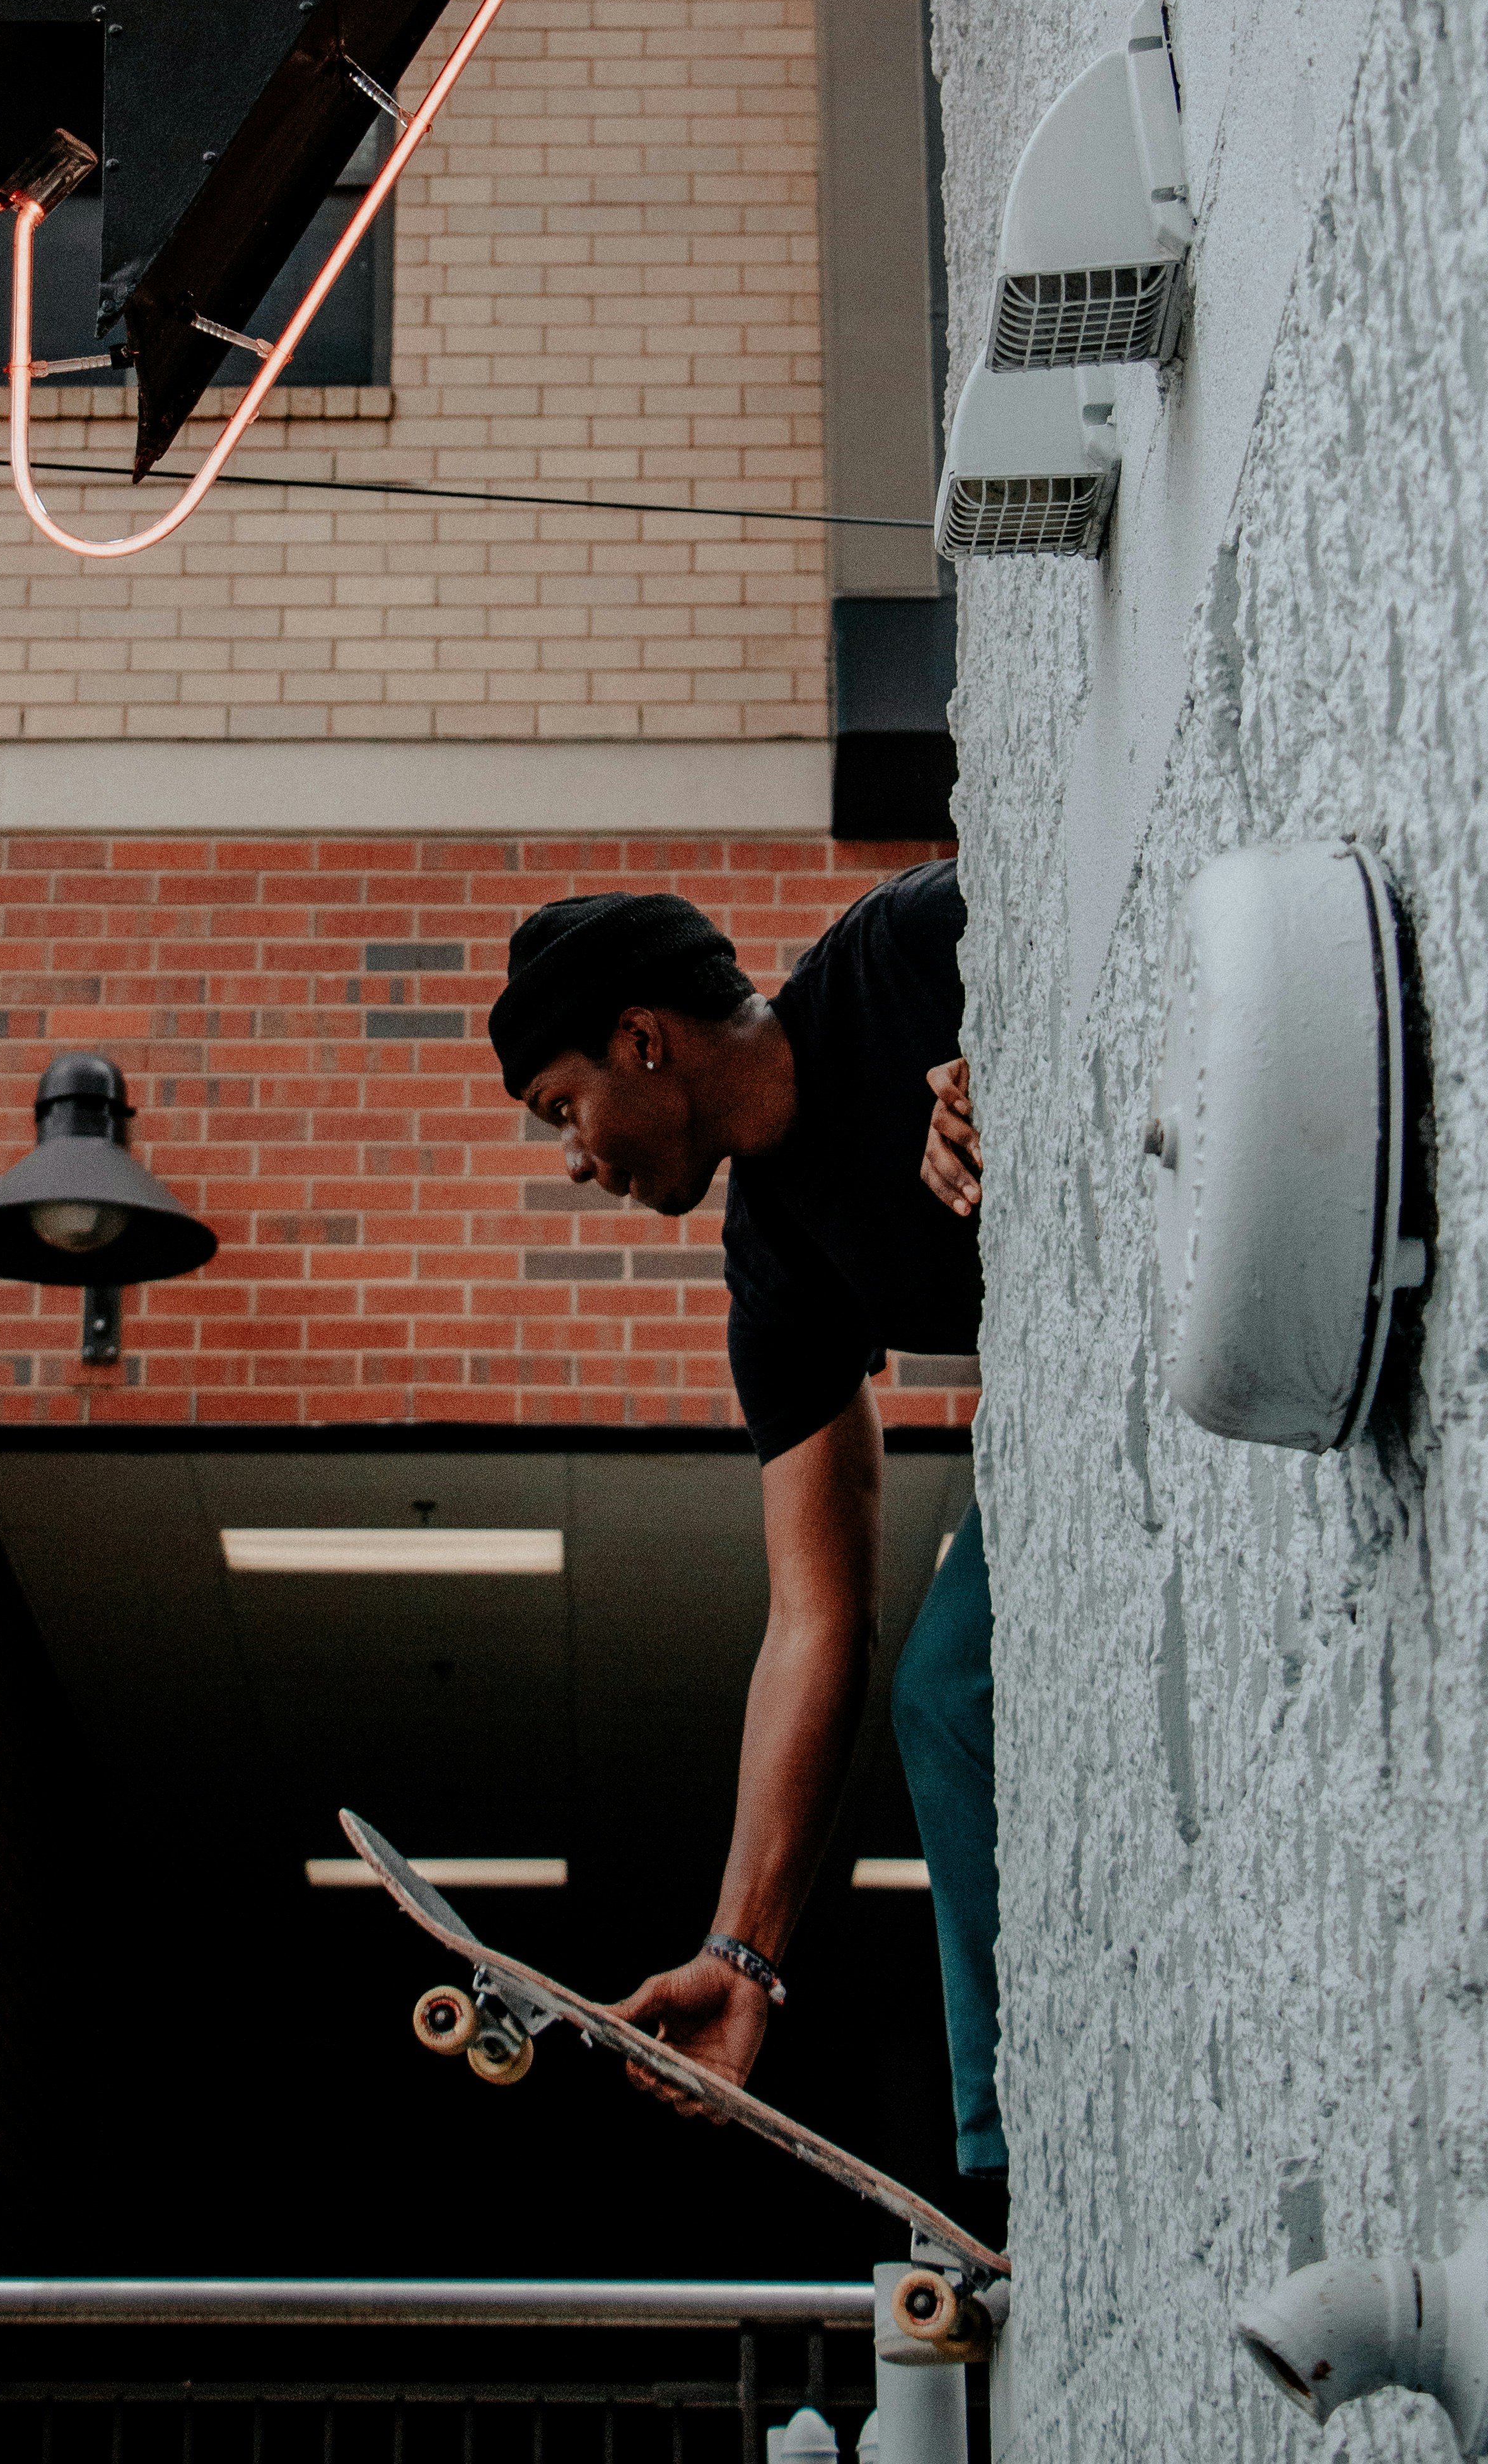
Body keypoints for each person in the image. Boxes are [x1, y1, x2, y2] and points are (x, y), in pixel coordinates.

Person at [486, 866, 1004, 2239]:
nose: (577, 1158)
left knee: (953, 1689)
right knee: (947, 1689)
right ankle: (1015, 2154)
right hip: (1077, 1415)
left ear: (644, 1039)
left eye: (563, 1109)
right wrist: (741, 1951)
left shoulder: (903, 952)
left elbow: (1090, 854)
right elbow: (813, 1615)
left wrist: (1021, 1045)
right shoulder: (774, 1269)